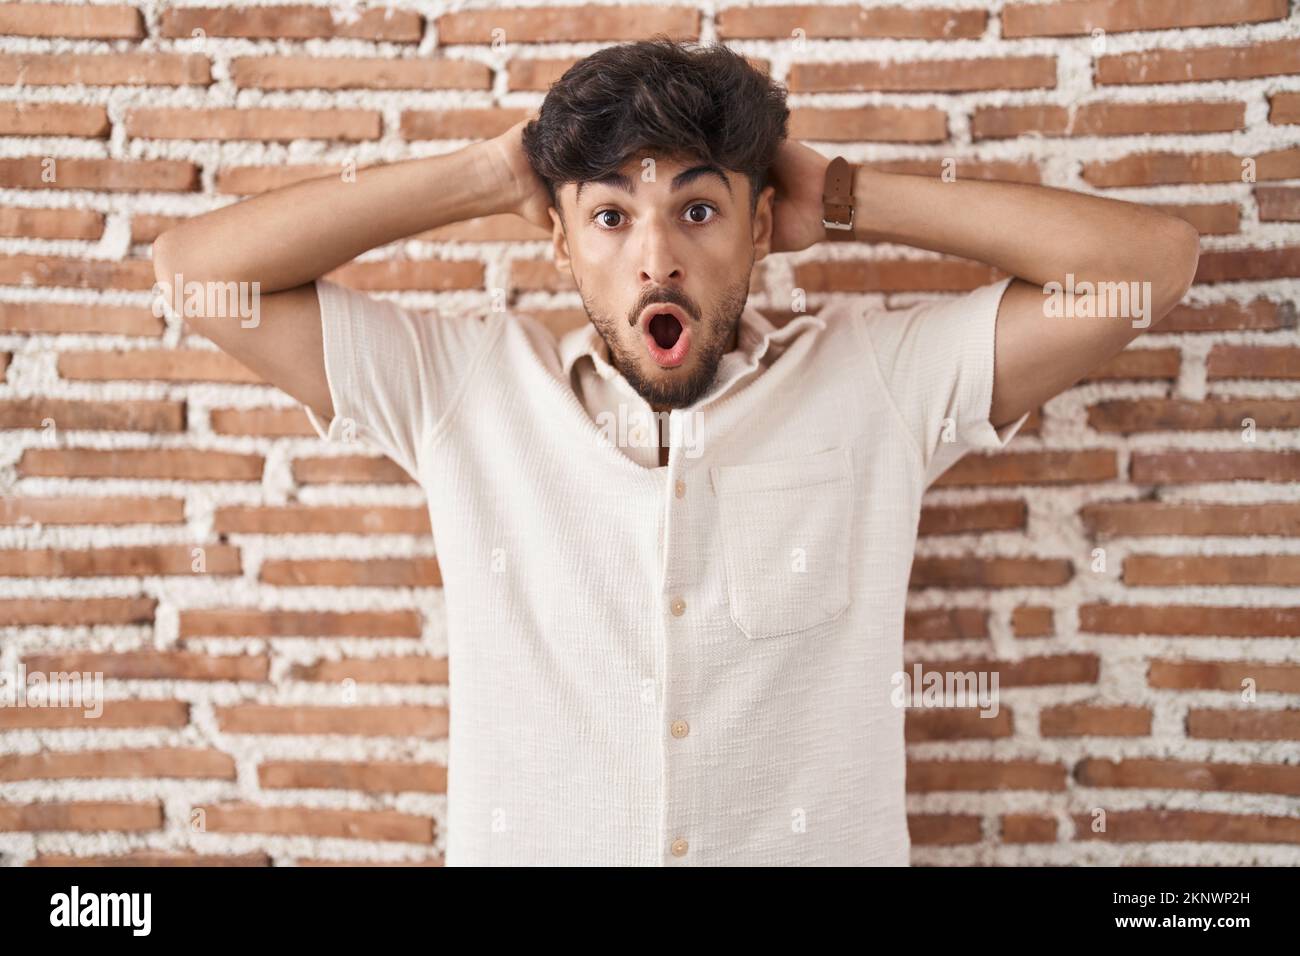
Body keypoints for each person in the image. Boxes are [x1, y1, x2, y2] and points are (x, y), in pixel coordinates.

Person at [152, 36, 1200, 866]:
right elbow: (198, 274)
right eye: (609, 216)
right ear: (557, 240)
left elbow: (1148, 267)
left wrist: (839, 193)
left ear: (760, 229)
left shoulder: (874, 384)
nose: (656, 256)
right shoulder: (460, 389)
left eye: (698, 209)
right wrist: (484, 174)